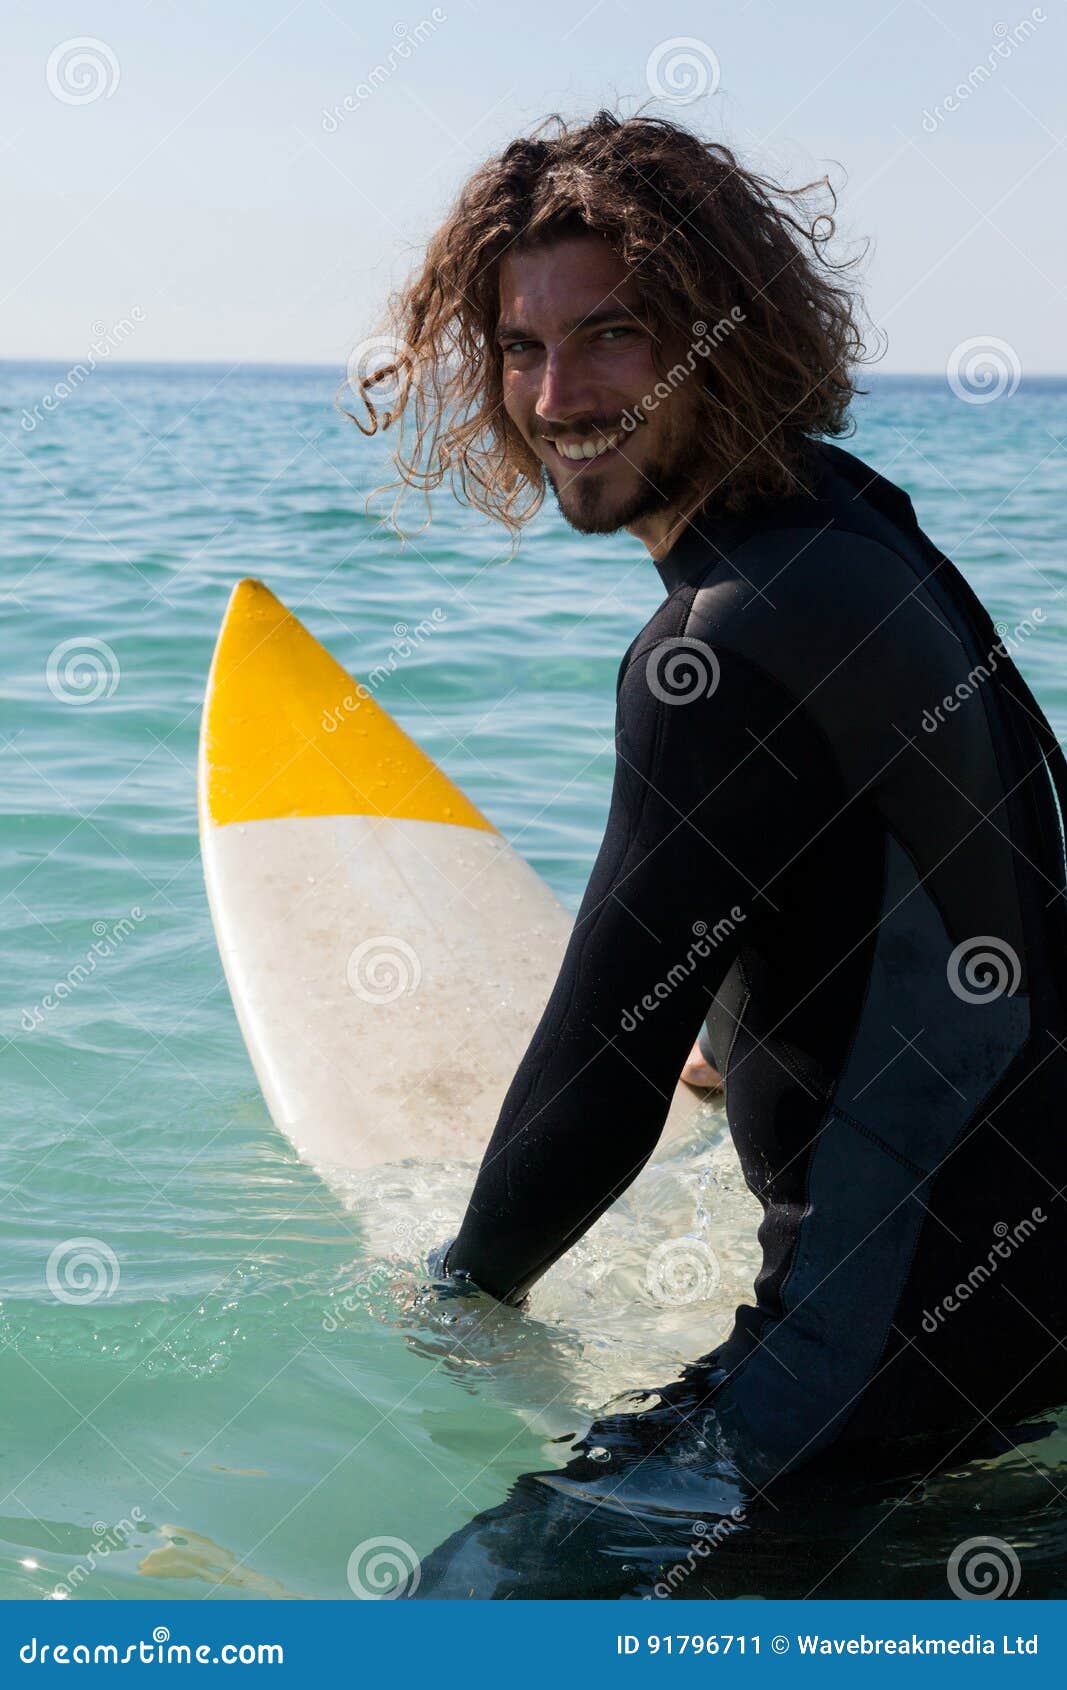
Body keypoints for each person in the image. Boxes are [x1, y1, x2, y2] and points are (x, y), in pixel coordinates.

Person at [350, 111, 1067, 1597]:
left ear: (719, 338)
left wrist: (458, 1294)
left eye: (613, 336)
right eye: (521, 346)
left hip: (877, 1389)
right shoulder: (858, 533)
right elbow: (961, 869)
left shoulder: (709, 651)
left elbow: (599, 1073)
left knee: (445, 1611)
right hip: (1033, 1328)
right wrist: (754, 1034)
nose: (559, 393)